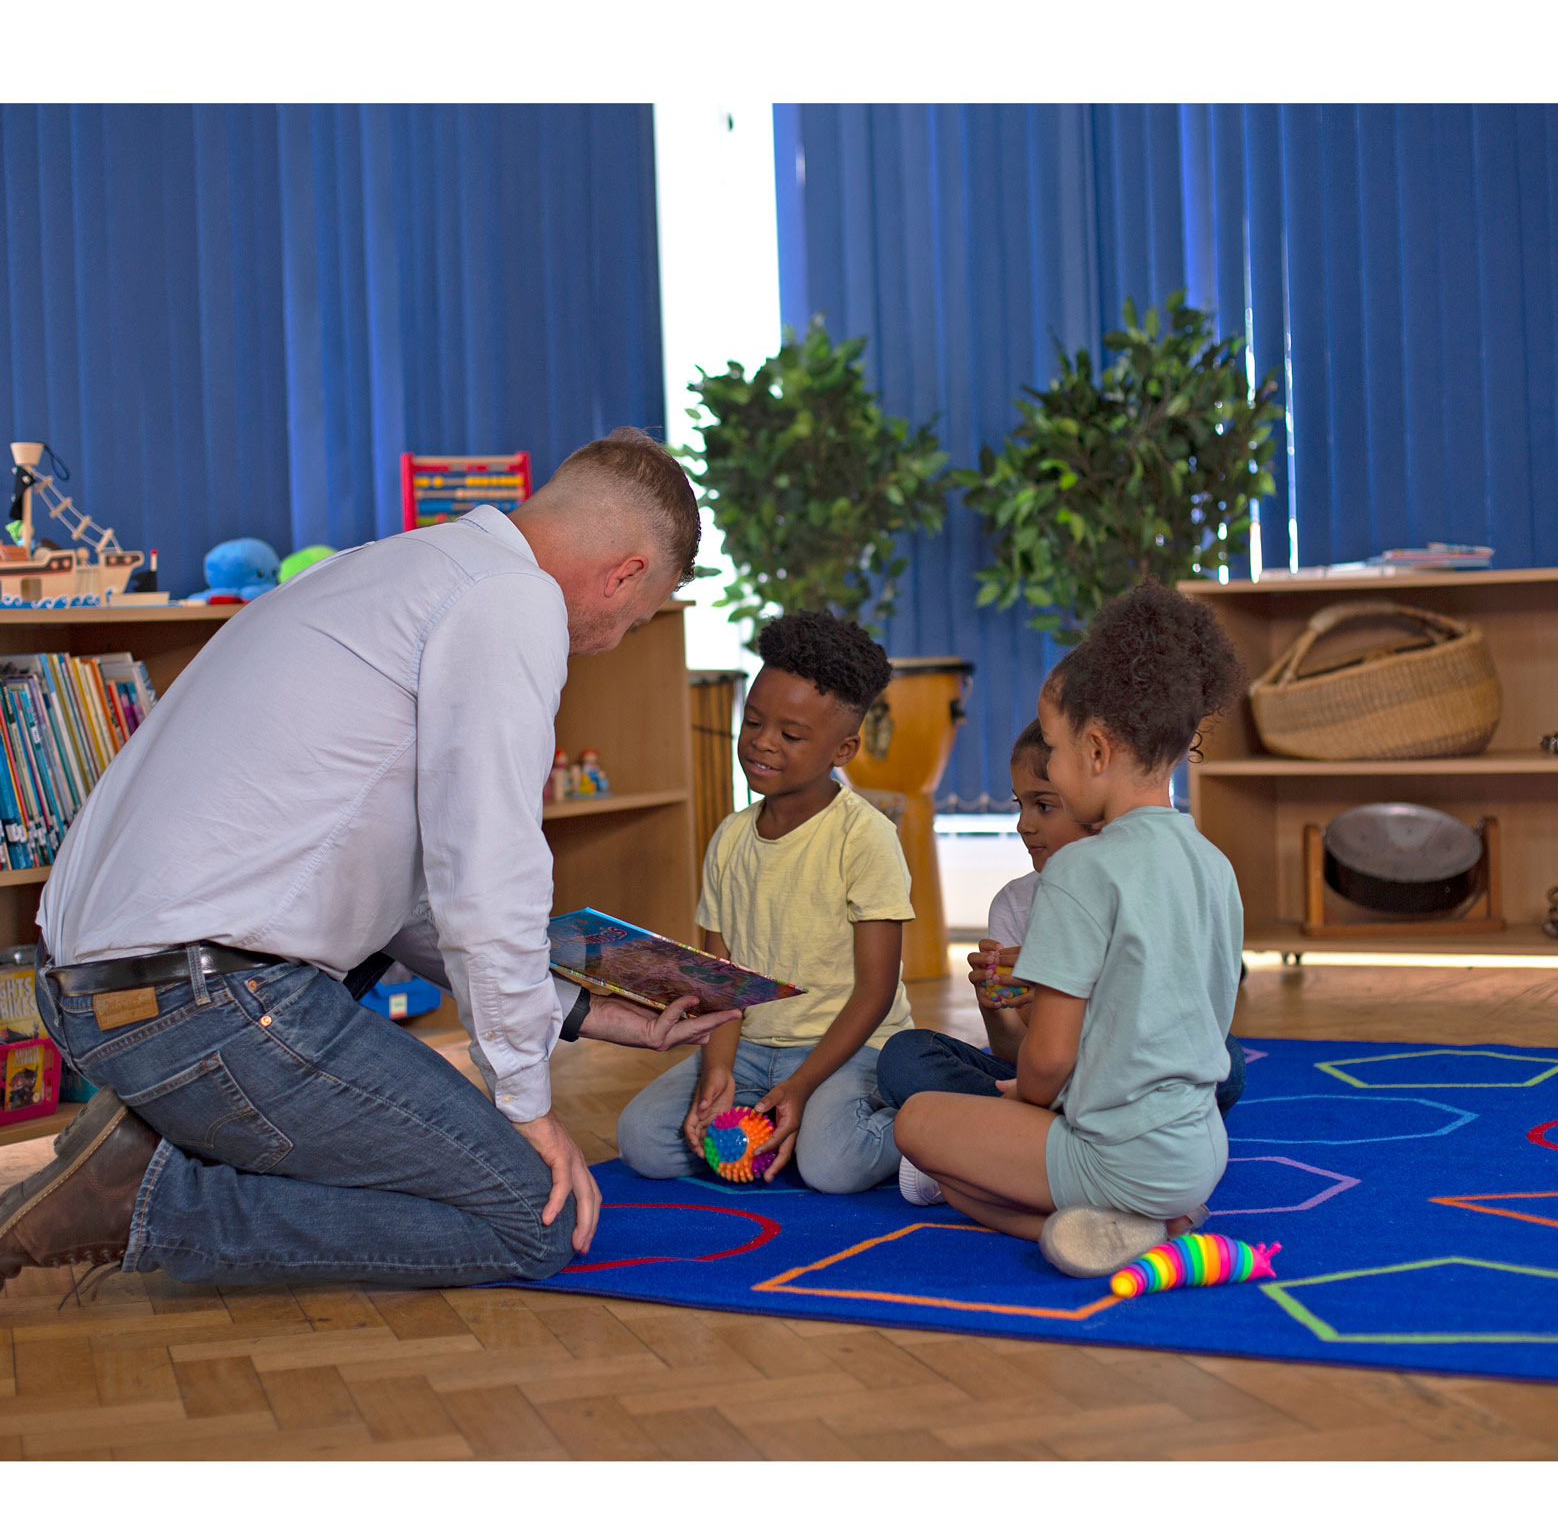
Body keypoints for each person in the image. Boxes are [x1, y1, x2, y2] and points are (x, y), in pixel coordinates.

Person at [0, 431, 741, 1290]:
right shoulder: (512, 600)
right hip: (206, 1005)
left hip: (98, 997)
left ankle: (156, 1135)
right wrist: (526, 1106)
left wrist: (576, 1010)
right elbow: (487, 869)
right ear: (626, 571)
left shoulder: (391, 568)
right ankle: (146, 1202)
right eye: (638, 617)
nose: (613, 642)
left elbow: (398, 901)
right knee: (528, 1225)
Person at [893, 584, 1246, 1278]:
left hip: (1118, 1156)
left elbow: (1049, 1059)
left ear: (1093, 749)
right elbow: (1207, 1020)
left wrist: (1022, 1096)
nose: (1047, 767)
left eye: (1051, 751)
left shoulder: (1081, 871)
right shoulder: (1213, 863)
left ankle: (1120, 1227)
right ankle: (1147, 1218)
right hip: (1202, 1154)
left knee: (917, 1128)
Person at [878, 717, 1248, 1206]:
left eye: (1045, 804)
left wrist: (1053, 991)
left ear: (1091, 799)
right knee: (908, 1054)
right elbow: (1020, 1051)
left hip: (1088, 1095)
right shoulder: (1017, 902)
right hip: (1141, 1126)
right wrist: (997, 1003)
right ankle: (1028, 1143)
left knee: (1228, 1057)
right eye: (1020, 804)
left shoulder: (1090, 875)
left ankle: (1002, 1154)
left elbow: (1072, 1052)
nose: (1024, 824)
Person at [616, 610, 913, 1192]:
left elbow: (876, 993)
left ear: (843, 749)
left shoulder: (864, 836)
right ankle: (778, 1120)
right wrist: (718, 1072)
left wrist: (801, 1087)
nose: (762, 742)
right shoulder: (730, 837)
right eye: (752, 721)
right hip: (750, 1050)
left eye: (792, 735)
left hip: (849, 1048)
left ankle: (925, 1118)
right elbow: (718, 982)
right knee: (642, 1139)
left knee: (833, 1165)